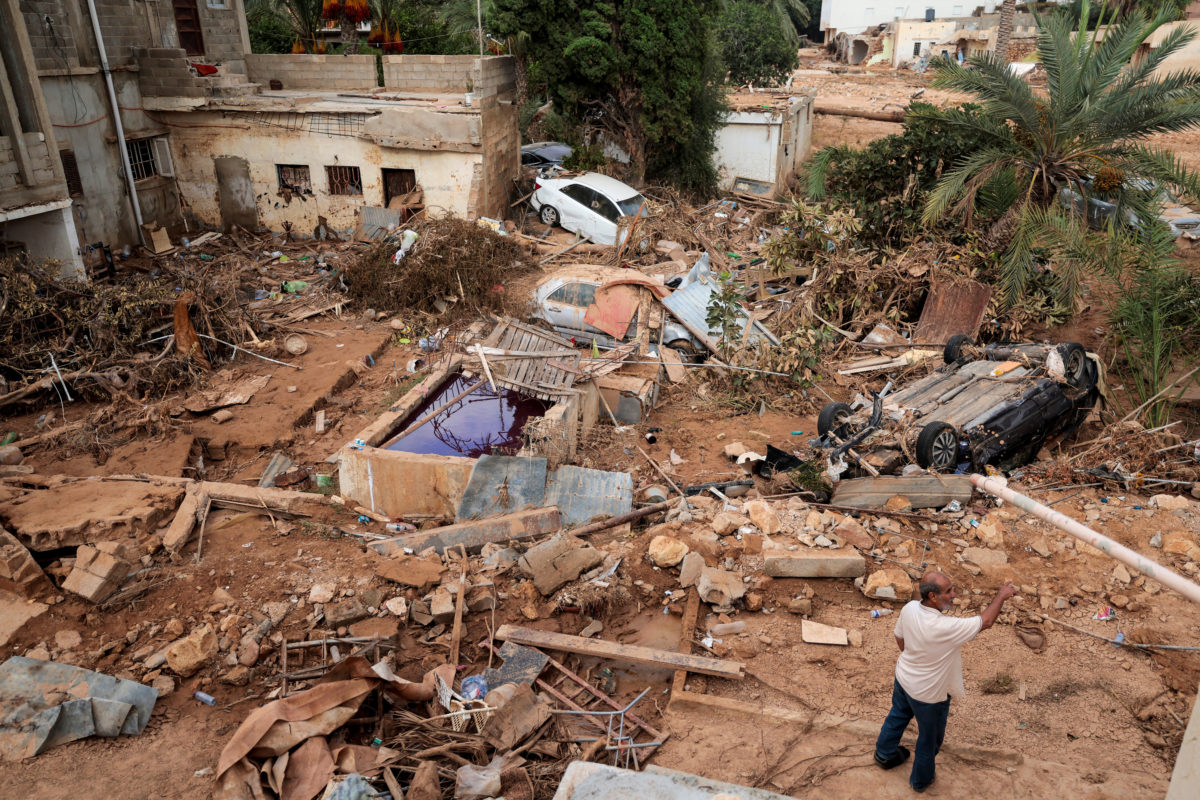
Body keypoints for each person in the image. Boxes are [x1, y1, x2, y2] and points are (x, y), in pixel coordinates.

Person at [873, 572, 1017, 792]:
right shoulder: (944, 627)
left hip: (903, 678)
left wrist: (916, 658)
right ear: (932, 596)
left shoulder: (910, 608)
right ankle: (921, 781)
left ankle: (884, 755)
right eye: (948, 591)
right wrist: (1001, 596)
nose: (954, 595)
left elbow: (899, 637)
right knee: (929, 739)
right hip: (929, 695)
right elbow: (986, 621)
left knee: (898, 715)